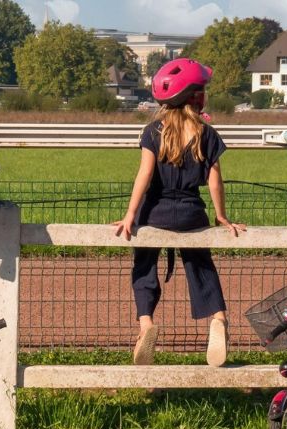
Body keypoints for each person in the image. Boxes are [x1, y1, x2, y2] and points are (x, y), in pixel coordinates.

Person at [111, 58, 246, 368]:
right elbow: (214, 180)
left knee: (144, 266)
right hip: (191, 215)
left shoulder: (153, 131)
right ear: (194, 97)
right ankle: (218, 319)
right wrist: (221, 216)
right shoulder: (206, 133)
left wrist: (131, 214)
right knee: (200, 264)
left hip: (155, 212)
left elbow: (144, 176)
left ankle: (146, 323)